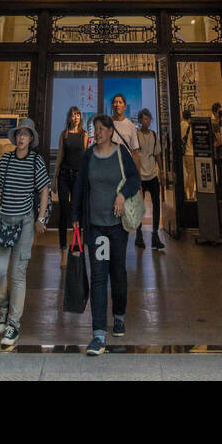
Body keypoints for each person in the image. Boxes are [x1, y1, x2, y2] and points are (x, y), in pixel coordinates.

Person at [0, 117, 50, 350]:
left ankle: (13, 324)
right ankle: (4, 305)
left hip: (25, 222)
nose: (21, 138)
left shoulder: (36, 161)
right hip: (3, 221)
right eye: (19, 134)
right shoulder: (6, 159)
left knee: (18, 273)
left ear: (31, 139)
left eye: (26, 135)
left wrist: (40, 217)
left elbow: (44, 190)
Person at [72, 113, 141, 356]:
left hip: (117, 226)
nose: (98, 132)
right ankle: (98, 333)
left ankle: (119, 316)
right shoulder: (89, 155)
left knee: (118, 272)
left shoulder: (121, 153)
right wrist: (75, 218)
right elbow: (80, 186)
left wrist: (122, 195)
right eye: (96, 128)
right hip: (96, 226)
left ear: (112, 131)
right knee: (99, 277)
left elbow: (135, 179)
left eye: (103, 128)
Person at [53, 104, 88, 266]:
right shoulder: (64, 135)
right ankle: (63, 248)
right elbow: (59, 156)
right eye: (73, 114)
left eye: (78, 114)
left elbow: (86, 159)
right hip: (64, 176)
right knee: (64, 213)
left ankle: (76, 245)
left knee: (76, 212)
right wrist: (54, 178)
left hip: (79, 177)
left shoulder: (84, 135)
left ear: (80, 117)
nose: (76, 117)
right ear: (69, 117)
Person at [135, 107, 165, 251]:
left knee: (156, 205)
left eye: (148, 118)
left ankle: (155, 235)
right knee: (139, 207)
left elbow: (158, 154)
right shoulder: (136, 135)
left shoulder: (154, 135)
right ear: (140, 120)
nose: (147, 121)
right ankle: (139, 234)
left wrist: (162, 171)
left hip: (153, 175)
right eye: (144, 118)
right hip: (140, 176)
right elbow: (134, 155)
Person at [109, 93, 141, 169]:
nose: (117, 105)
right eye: (115, 102)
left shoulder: (131, 125)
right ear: (112, 106)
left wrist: (138, 175)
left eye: (120, 102)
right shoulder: (106, 123)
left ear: (125, 107)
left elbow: (135, 152)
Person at [211, 102, 222, 201]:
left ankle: (220, 198)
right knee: (221, 179)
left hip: (219, 155)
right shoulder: (215, 124)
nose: (221, 114)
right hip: (219, 155)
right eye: (219, 112)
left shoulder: (217, 123)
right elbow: (220, 140)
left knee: (221, 179)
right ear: (215, 112)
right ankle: (221, 198)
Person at [181, 108, 195, 201]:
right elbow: (192, 140)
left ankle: (184, 194)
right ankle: (191, 196)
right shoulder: (189, 126)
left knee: (185, 174)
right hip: (190, 153)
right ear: (189, 117)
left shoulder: (180, 125)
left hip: (182, 153)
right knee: (191, 175)